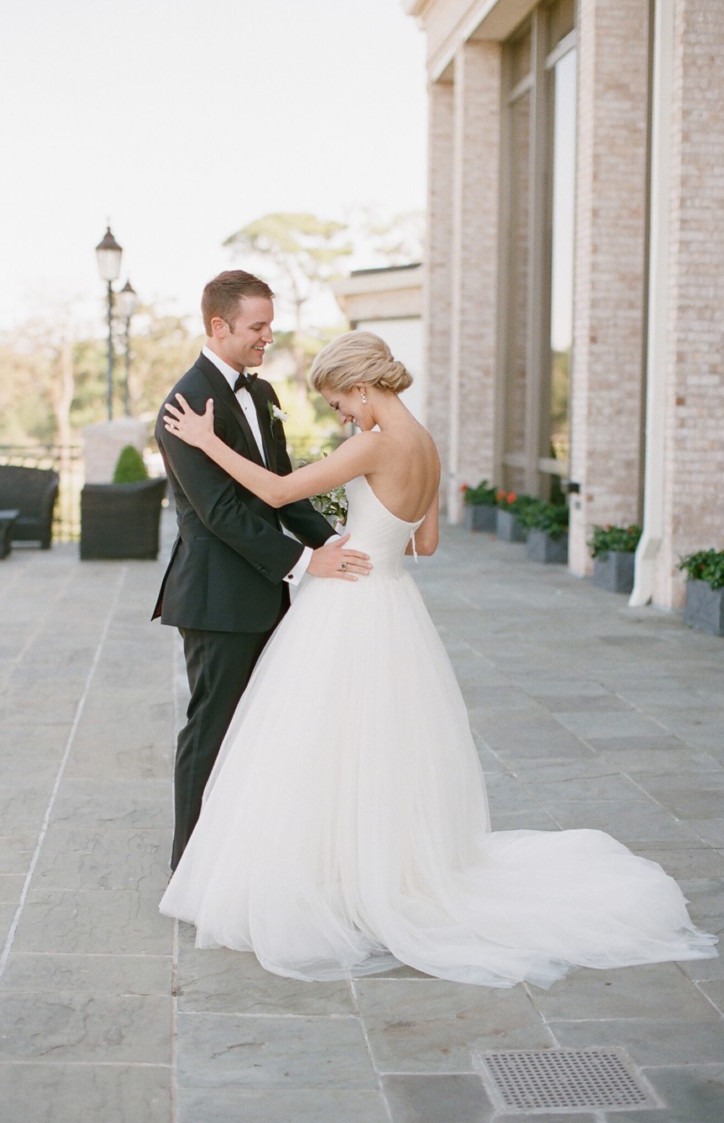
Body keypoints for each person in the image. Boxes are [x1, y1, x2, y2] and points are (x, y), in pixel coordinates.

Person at [157, 330, 717, 986]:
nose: (345, 417)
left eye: (341, 404)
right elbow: (424, 544)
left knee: (322, 739)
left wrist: (207, 442)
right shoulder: (425, 444)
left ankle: (335, 874)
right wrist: (372, 532)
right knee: (379, 743)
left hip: (350, 603)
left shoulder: (372, 444)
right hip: (395, 601)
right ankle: (376, 869)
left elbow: (278, 493)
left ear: (362, 387)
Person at [152, 269, 370, 871]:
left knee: (263, 726)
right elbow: (219, 512)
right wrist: (305, 561)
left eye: (270, 325)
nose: (268, 337)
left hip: (270, 592)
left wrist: (335, 543)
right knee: (211, 728)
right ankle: (189, 865)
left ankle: (246, 853)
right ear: (219, 326)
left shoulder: (263, 392)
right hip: (218, 598)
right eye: (258, 326)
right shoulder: (182, 405)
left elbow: (283, 488)